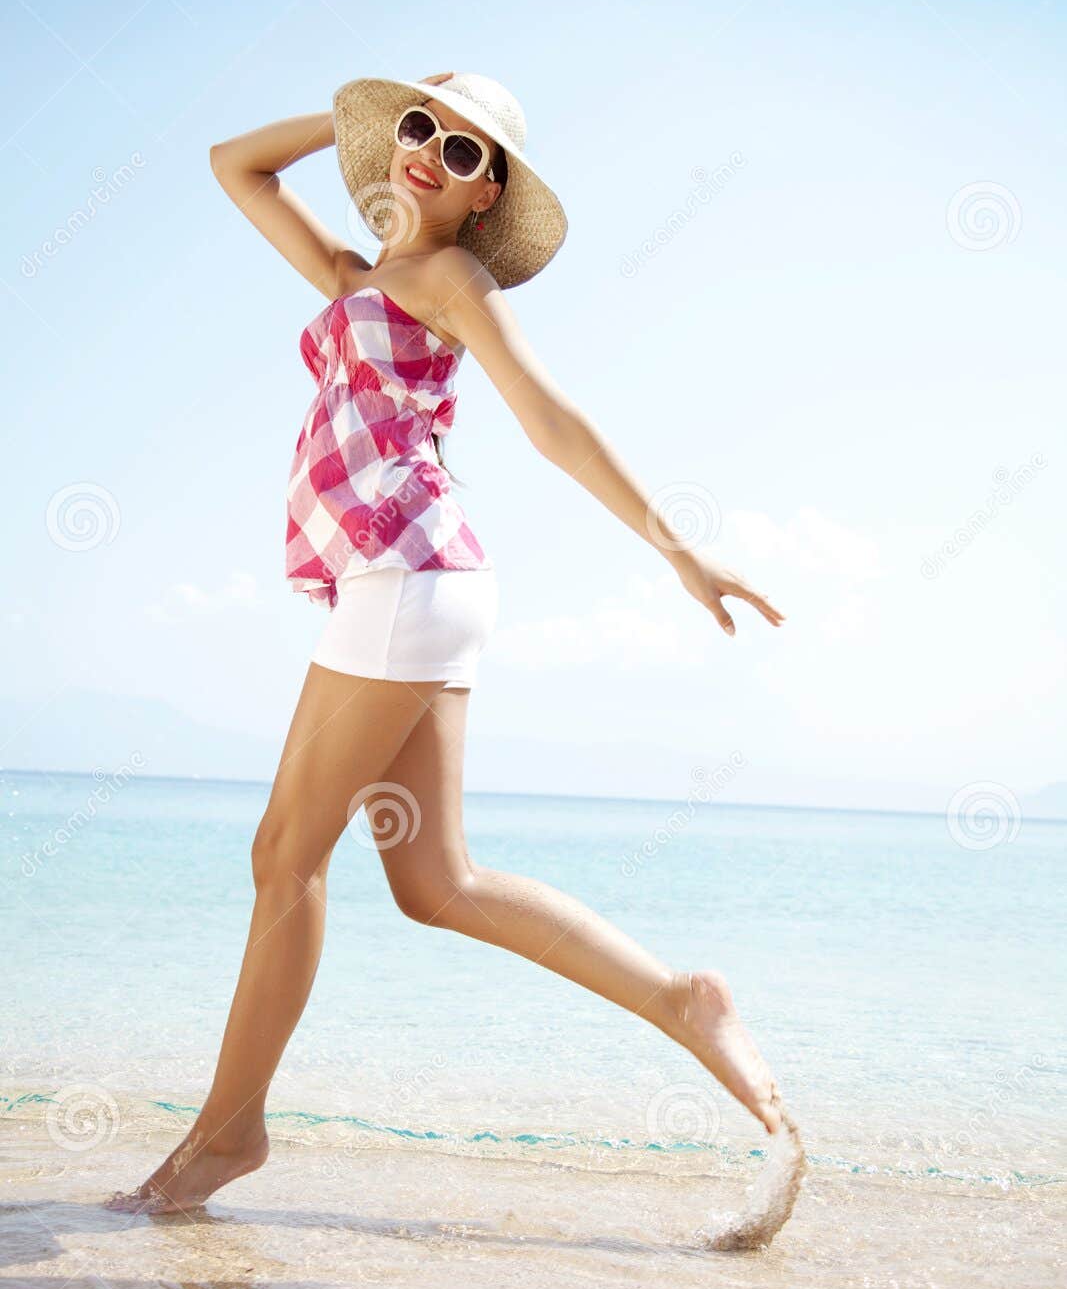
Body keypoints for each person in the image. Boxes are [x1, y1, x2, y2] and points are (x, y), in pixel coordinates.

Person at [108, 70, 786, 1215]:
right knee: (435, 880)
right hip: (415, 585)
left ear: (487, 199)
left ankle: (225, 1137)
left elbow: (548, 415)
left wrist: (677, 548)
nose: (431, 153)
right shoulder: (357, 275)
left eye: (466, 152)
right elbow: (236, 164)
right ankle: (681, 998)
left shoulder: (448, 276)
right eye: (419, 130)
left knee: (286, 856)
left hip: (404, 574)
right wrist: (359, 123)